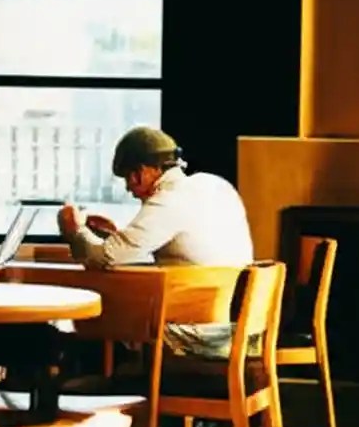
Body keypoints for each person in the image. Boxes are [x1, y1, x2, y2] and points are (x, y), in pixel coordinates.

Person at [58, 126, 255, 359]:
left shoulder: (168, 200)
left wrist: (74, 229)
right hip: (239, 329)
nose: (129, 188)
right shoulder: (215, 185)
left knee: (105, 319)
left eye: (127, 179)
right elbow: (183, 248)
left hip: (198, 335)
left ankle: (109, 386)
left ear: (139, 173)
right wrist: (118, 236)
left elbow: (101, 257)